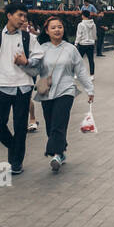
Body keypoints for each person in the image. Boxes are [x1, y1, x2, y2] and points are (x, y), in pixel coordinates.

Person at [0, 2, 45, 175]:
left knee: (21, 126)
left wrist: (26, 61)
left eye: (25, 16)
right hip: (0, 86)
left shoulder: (29, 38)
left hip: (23, 87)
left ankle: (16, 162)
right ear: (9, 15)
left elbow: (39, 59)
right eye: (20, 15)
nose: (23, 19)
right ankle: (15, 147)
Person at [33, 15, 93, 174]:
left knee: (59, 122)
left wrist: (90, 89)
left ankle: (56, 154)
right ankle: (61, 150)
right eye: (53, 27)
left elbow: (80, 70)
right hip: (47, 91)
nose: (57, 30)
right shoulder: (41, 48)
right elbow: (34, 69)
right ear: (47, 30)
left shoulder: (70, 49)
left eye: (59, 27)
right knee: (50, 123)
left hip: (66, 90)